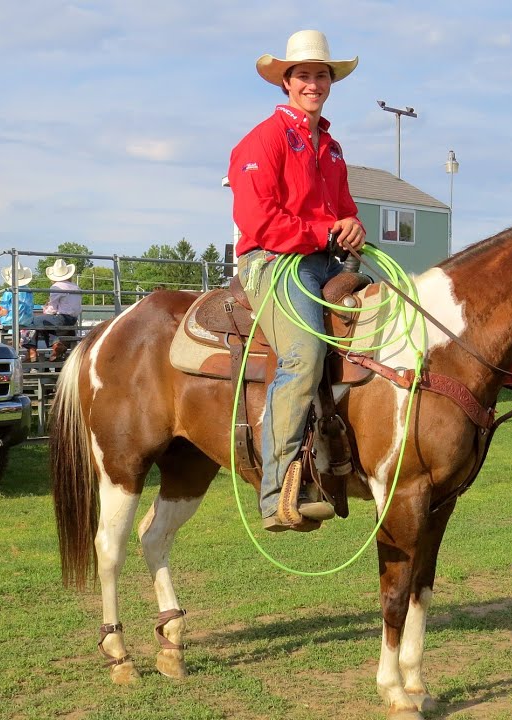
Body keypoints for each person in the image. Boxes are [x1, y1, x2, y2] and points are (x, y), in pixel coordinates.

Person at [227, 29, 366, 533]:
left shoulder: (330, 146)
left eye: (321, 74)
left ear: (331, 82)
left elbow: (344, 210)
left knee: (391, 323)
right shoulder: (261, 141)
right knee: (303, 355)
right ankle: (275, 491)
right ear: (285, 82)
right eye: (303, 74)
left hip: (327, 257)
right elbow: (258, 220)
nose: (313, 82)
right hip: (275, 260)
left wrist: (351, 226)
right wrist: (322, 231)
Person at [23, 258, 82, 362]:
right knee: (45, 323)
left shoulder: (56, 286)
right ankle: (56, 345)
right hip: (73, 319)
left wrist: (45, 310)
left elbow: (52, 309)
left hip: (62, 318)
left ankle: (31, 350)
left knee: (32, 321)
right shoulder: (75, 286)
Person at [0, 265, 35, 348]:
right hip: (27, 320)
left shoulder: (9, 291)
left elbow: (4, 311)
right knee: (17, 326)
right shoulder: (29, 291)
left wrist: (0, 312)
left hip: (11, 320)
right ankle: (15, 344)